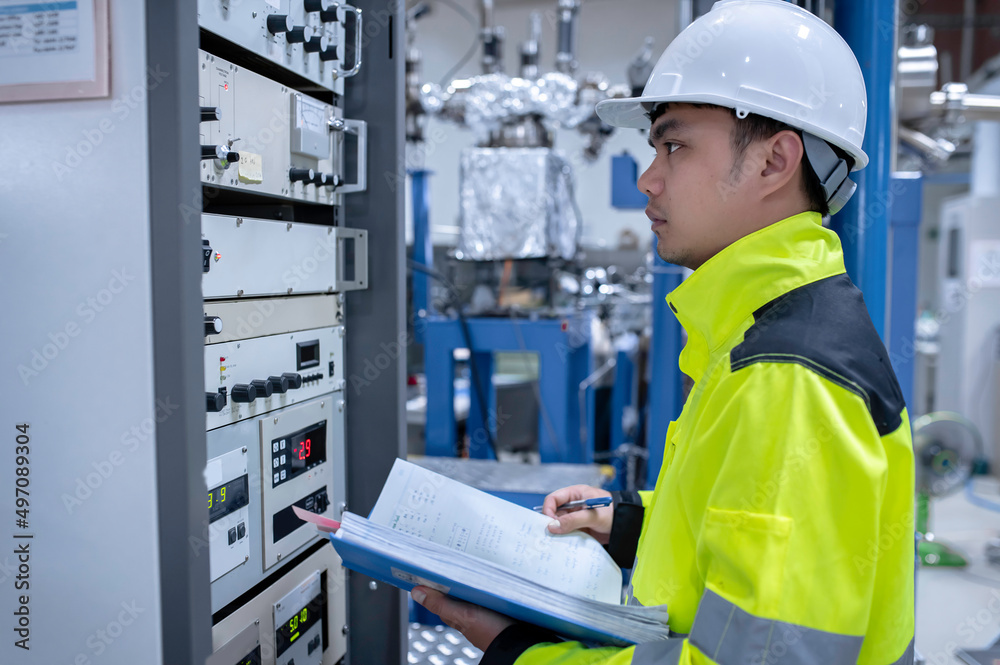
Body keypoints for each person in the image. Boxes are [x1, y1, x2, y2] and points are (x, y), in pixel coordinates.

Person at [412, 1, 916, 663]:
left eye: (674, 146)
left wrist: (518, 652)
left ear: (774, 162)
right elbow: (736, 528)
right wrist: (624, 523)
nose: (648, 178)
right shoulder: (760, 336)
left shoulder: (788, 377)